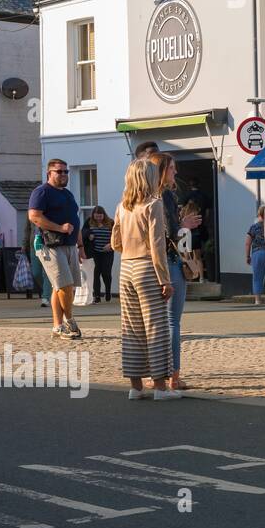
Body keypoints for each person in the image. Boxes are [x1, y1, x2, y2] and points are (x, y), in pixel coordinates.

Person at [111, 160, 178, 400]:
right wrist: (165, 280)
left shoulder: (122, 206)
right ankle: (160, 387)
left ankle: (135, 386)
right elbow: (157, 245)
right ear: (149, 178)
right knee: (156, 327)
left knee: (131, 328)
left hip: (126, 267)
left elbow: (115, 243)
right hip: (147, 267)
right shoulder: (153, 204)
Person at [147, 152, 198, 391]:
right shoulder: (165, 195)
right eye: (171, 169)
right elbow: (169, 233)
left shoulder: (142, 195)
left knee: (154, 323)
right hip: (169, 262)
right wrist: (184, 225)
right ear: (161, 171)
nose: (175, 173)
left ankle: (155, 374)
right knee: (172, 322)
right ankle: (173, 376)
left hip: (148, 264)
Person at [28, 158, 85, 341]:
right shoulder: (42, 192)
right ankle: (69, 321)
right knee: (65, 285)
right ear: (49, 173)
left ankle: (57, 326)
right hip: (49, 244)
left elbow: (75, 221)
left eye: (66, 172)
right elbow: (34, 217)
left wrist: (80, 246)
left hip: (69, 245)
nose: (63, 175)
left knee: (60, 287)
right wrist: (59, 228)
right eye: (59, 171)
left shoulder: (67, 194)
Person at [81, 206, 115, 303]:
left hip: (107, 252)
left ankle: (108, 292)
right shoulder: (89, 222)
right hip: (94, 252)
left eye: (100, 216)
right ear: (93, 216)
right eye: (96, 216)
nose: (98, 218)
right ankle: (97, 295)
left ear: (104, 215)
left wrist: (111, 244)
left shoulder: (111, 222)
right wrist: (88, 235)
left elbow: (117, 235)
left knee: (106, 272)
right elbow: (83, 232)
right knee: (96, 273)